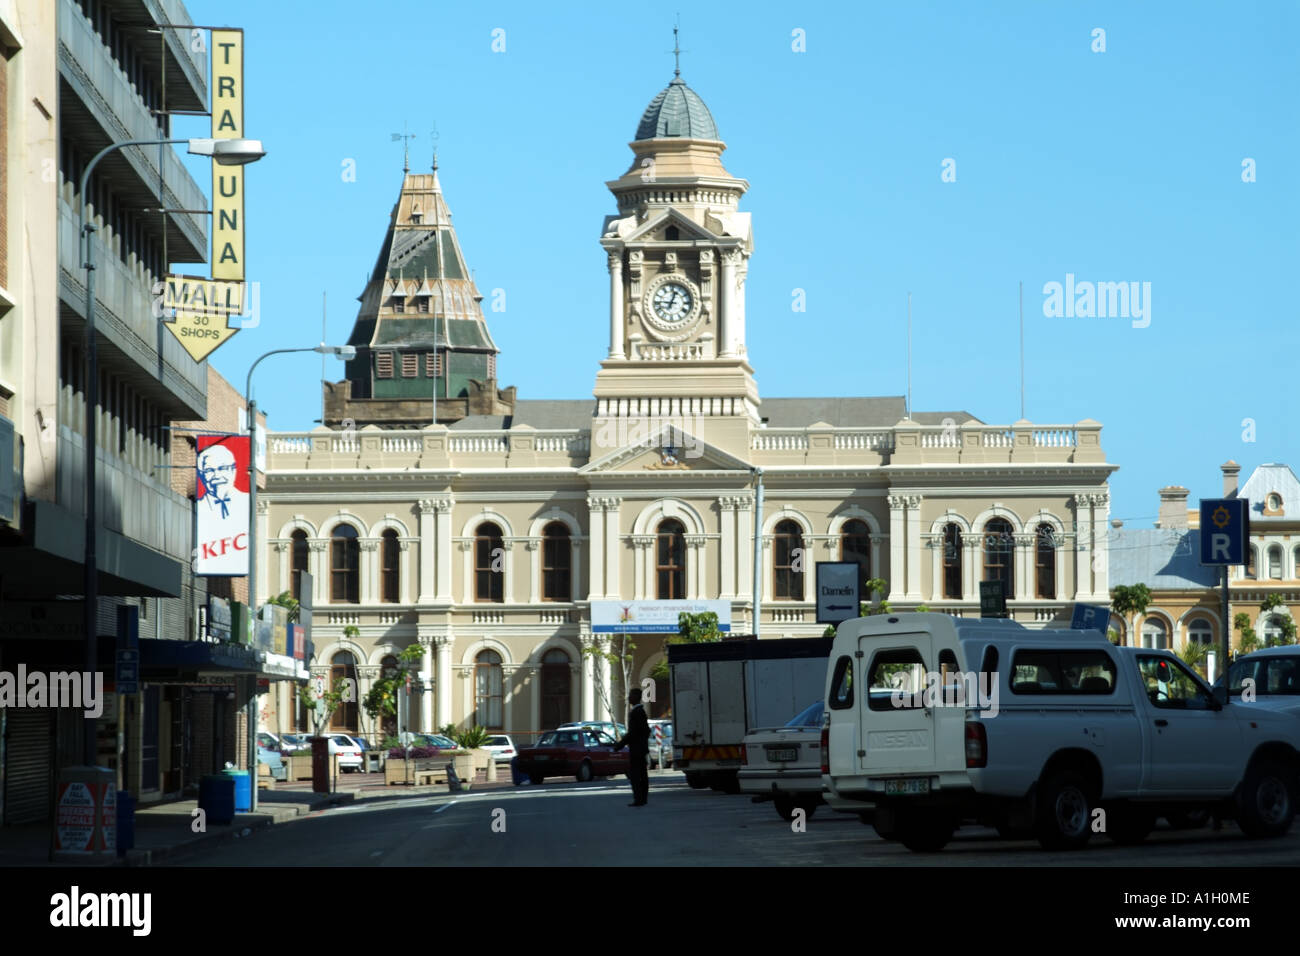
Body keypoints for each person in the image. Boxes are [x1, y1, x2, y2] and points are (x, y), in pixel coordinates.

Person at [612, 688, 650, 806]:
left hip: (637, 750)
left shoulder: (636, 713)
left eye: (631, 695)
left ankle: (639, 799)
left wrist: (619, 745)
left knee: (636, 775)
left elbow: (633, 733)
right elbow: (646, 731)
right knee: (642, 774)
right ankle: (642, 799)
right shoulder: (640, 712)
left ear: (636, 697)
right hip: (641, 748)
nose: (629, 698)